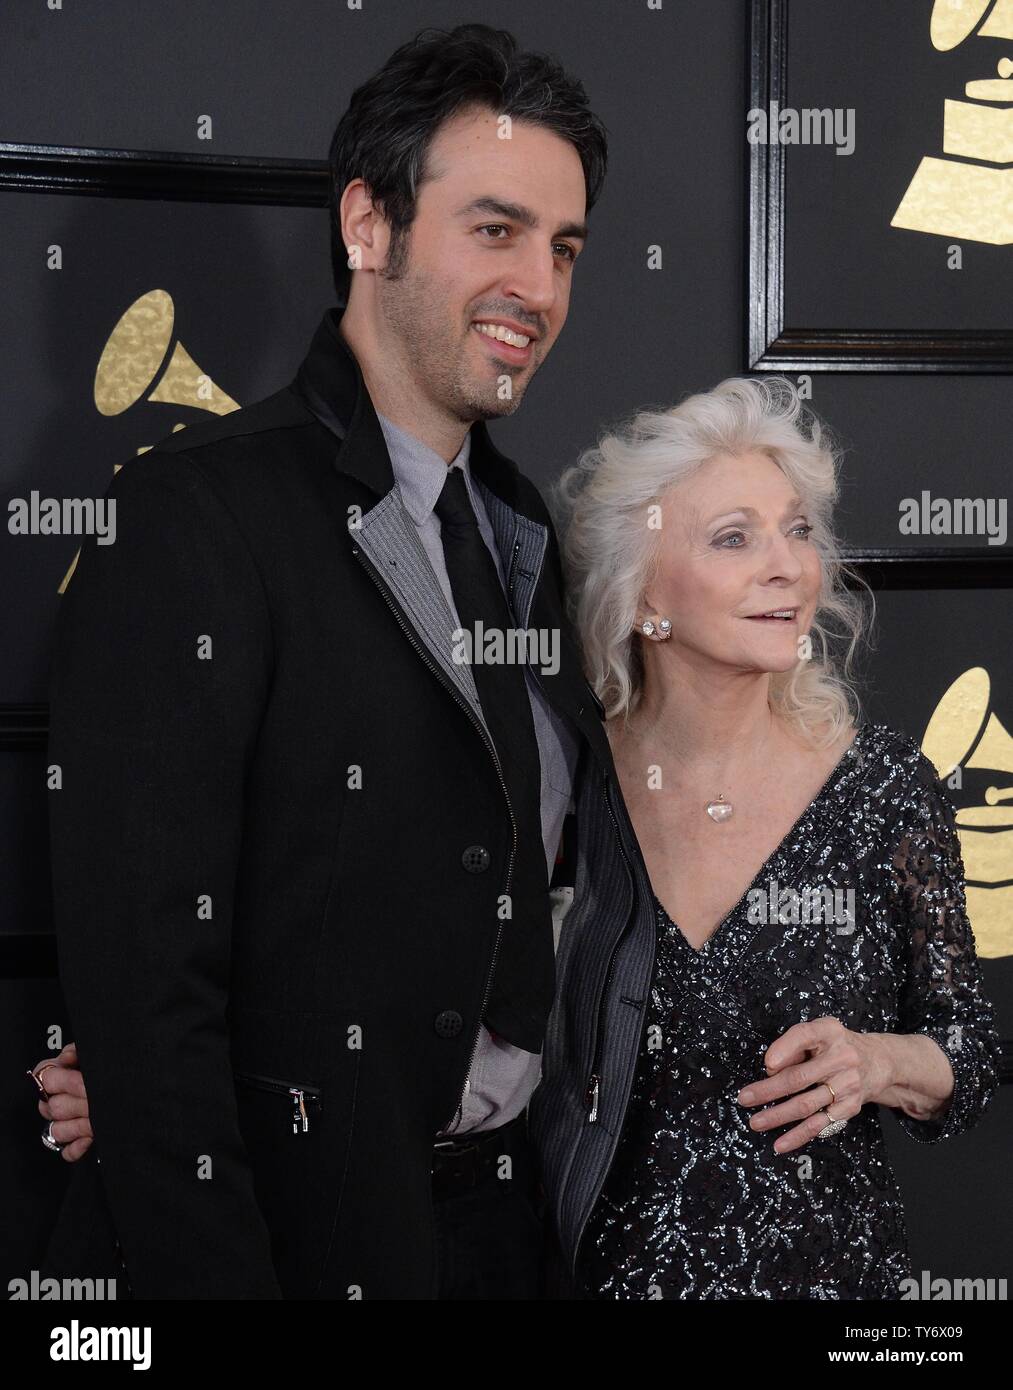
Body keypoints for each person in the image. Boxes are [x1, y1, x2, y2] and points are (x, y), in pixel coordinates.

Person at [33, 23, 642, 1300]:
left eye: (564, 246)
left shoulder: (532, 533)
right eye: (495, 230)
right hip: (289, 1245)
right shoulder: (194, 516)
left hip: (501, 1238)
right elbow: (149, 1007)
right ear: (367, 225)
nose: (538, 283)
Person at [528, 375, 1002, 1298]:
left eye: (795, 529)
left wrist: (879, 1060)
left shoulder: (880, 788)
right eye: (732, 537)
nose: (786, 564)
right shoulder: (560, 784)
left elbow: (970, 1048)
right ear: (639, 593)